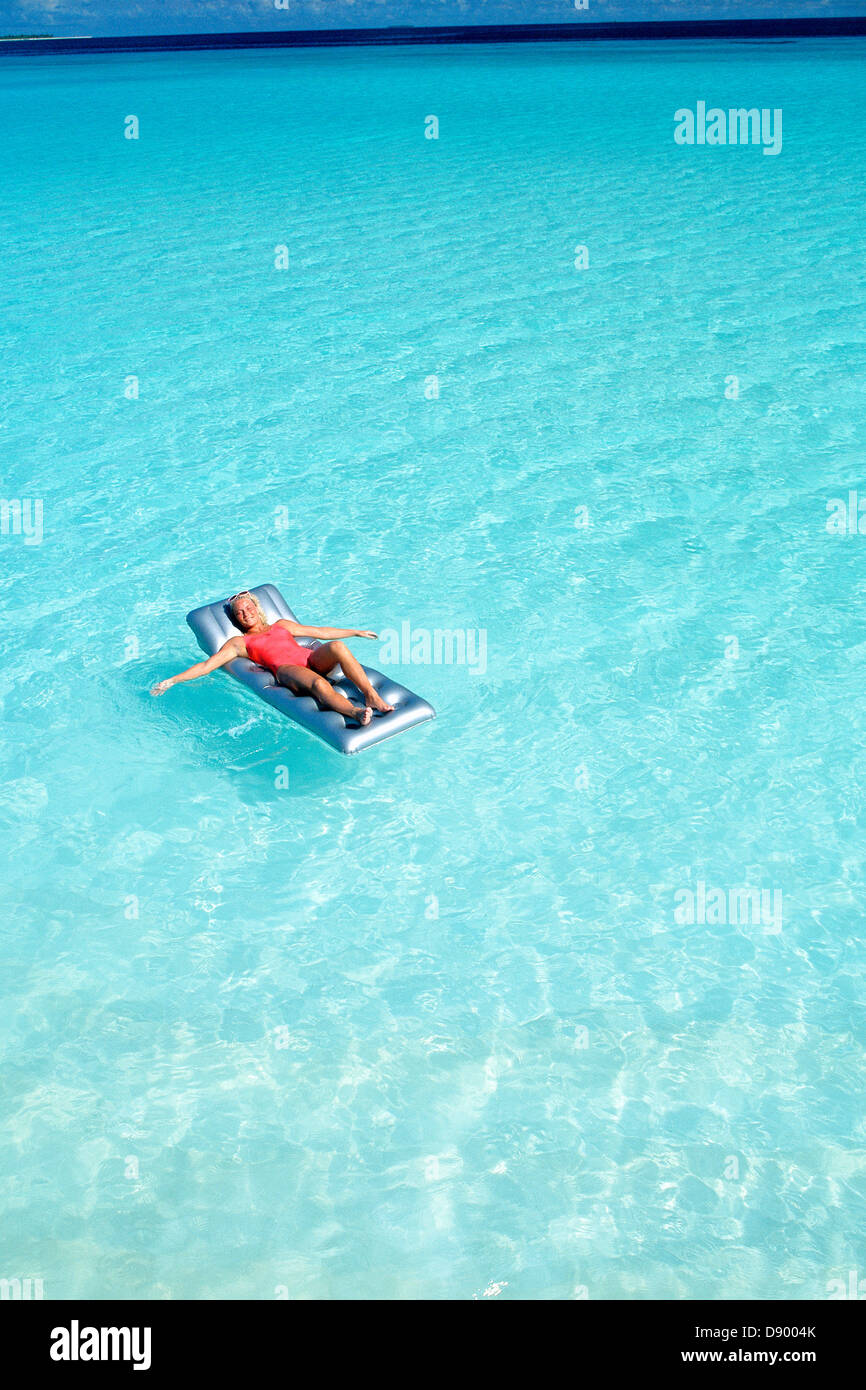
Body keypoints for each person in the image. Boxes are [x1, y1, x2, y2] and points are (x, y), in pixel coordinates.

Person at [151, 590, 393, 726]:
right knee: (319, 684)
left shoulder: (281, 625)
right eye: (240, 613)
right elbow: (207, 665)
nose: (246, 614)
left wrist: (355, 632)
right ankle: (354, 712)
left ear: (257, 608)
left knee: (338, 646)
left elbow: (320, 632)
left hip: (311, 660)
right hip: (287, 671)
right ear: (237, 619)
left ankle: (371, 696)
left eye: (249, 608)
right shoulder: (239, 643)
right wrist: (172, 680)